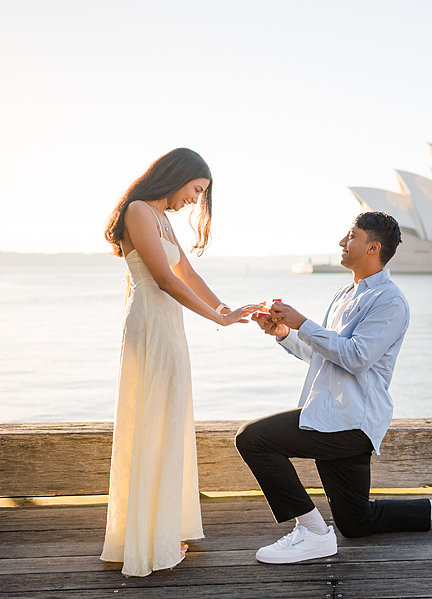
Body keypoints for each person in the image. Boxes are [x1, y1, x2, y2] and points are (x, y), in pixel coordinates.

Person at [235, 211, 432, 565]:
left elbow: (356, 357)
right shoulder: (344, 294)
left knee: (253, 439)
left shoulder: (390, 301)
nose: (341, 243)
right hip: (332, 414)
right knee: (356, 521)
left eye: (351, 236)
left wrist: (304, 323)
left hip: (351, 421)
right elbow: (323, 354)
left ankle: (313, 533)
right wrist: (285, 332)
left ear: (373, 247)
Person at [100, 148, 260, 576]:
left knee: (169, 420)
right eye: (196, 189)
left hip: (169, 327)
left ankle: (162, 527)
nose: (196, 199)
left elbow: (187, 273)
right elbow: (164, 280)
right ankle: (146, 538)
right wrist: (217, 319)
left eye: (202, 193)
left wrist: (226, 308)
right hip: (151, 325)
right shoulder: (139, 210)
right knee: (151, 420)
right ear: (177, 176)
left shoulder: (162, 218)